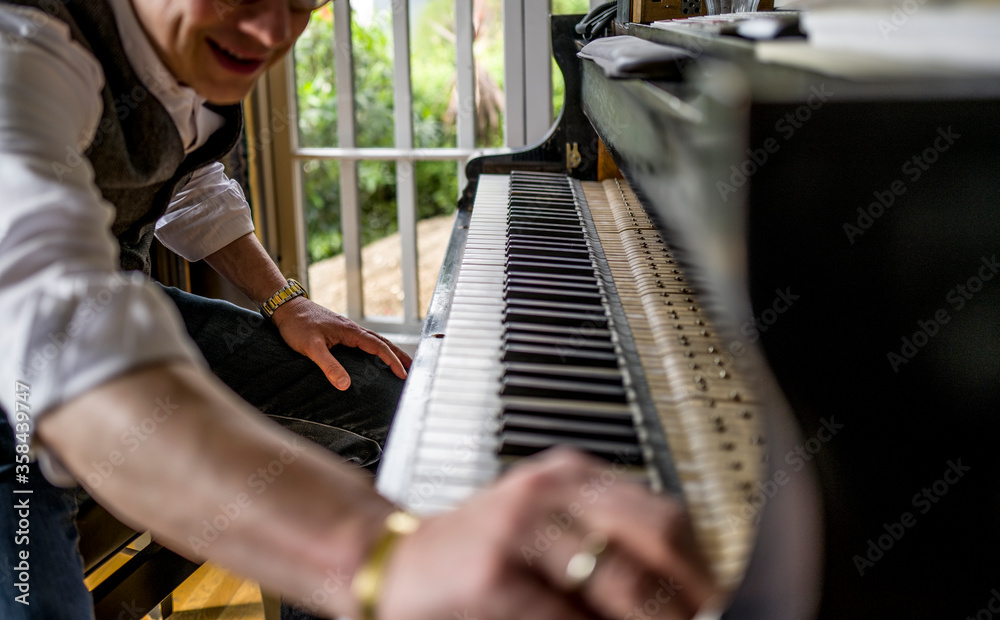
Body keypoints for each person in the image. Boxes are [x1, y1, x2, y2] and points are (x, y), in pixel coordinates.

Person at [0, 1, 718, 619]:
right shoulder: (23, 47)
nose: (269, 28)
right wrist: (387, 560)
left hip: (112, 296)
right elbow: (55, 331)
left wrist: (286, 301)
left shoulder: (179, 41)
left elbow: (188, 181)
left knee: (380, 394)